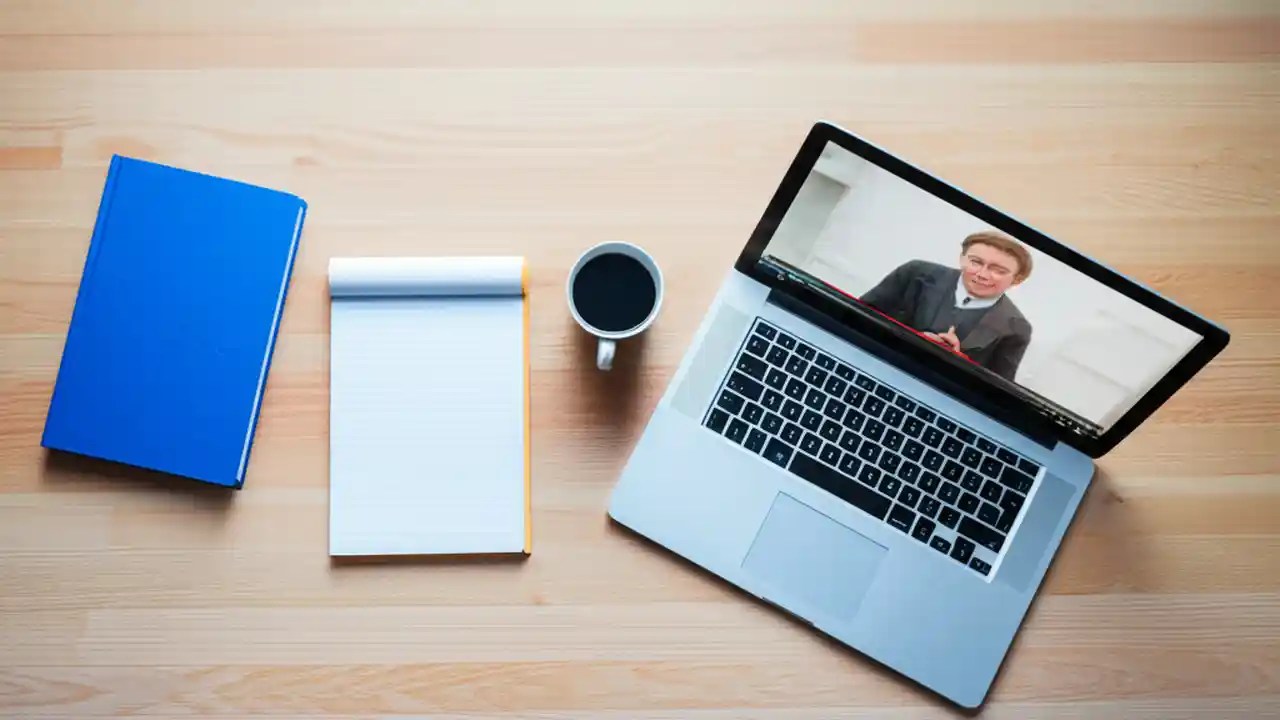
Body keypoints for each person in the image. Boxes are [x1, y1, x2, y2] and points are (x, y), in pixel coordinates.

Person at [861, 231, 1033, 381]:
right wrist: (911, 339)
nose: (982, 274)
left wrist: (958, 362)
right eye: (975, 262)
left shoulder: (1017, 329)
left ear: (1017, 279)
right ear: (962, 258)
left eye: (998, 271)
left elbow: (995, 393)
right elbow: (855, 317)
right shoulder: (915, 272)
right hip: (872, 363)